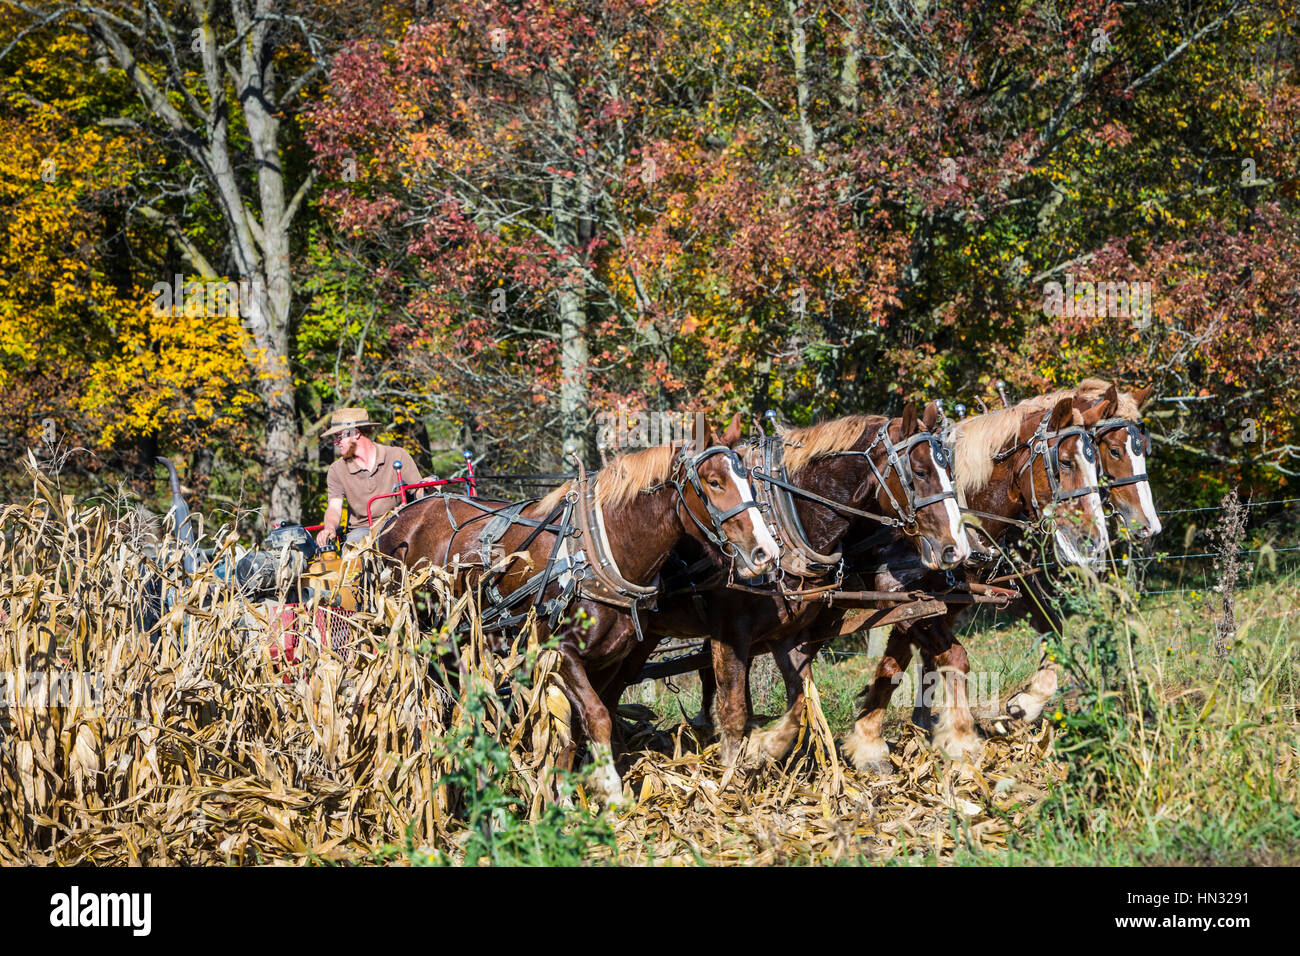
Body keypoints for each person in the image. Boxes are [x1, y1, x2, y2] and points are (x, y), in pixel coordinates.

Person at [315, 407, 424, 549]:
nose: (336, 442)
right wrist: (329, 528)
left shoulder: (398, 456)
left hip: (399, 521)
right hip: (362, 531)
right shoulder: (337, 469)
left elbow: (419, 492)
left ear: (356, 433)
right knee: (352, 554)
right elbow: (334, 508)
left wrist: (427, 487)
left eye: (339, 436)